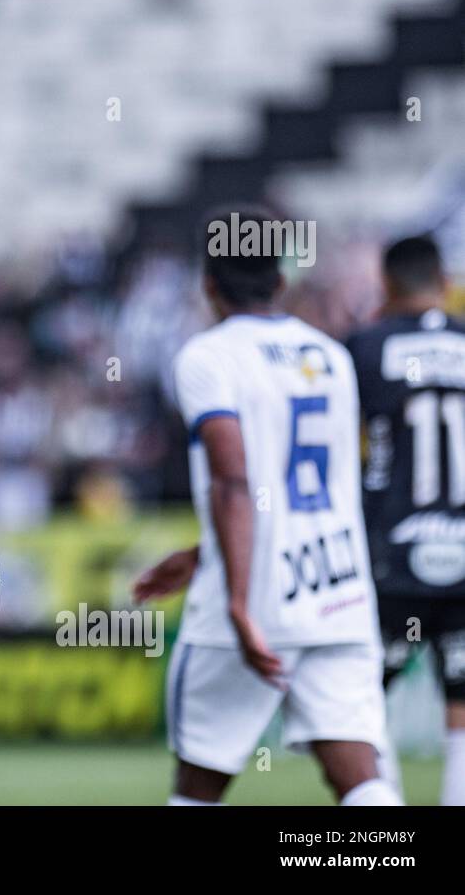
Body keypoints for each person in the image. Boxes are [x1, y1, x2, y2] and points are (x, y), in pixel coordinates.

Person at [134, 206, 400, 806]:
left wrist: (235, 597)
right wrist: (203, 553)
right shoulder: (332, 357)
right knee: (358, 776)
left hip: (251, 602)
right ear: (281, 278)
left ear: (207, 284)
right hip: (337, 590)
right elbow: (299, 485)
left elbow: (235, 480)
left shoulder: (208, 357)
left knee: (198, 787)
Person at [346, 234, 465, 805]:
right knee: (462, 706)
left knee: (363, 701)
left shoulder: (364, 348)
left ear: (387, 284)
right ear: (443, 281)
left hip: (389, 553)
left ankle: (386, 840)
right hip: (464, 553)